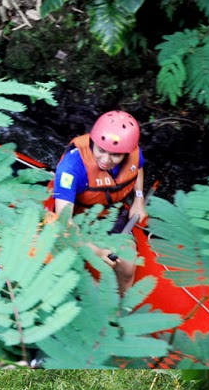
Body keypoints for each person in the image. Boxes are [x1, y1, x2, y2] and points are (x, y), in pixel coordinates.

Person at [47, 110, 147, 296]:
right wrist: (97, 251)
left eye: (115, 155)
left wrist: (138, 199)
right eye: (101, 151)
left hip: (108, 215)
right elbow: (63, 220)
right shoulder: (71, 167)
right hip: (75, 219)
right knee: (84, 283)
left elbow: (137, 167)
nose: (106, 160)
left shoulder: (131, 153)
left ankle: (122, 308)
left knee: (126, 267)